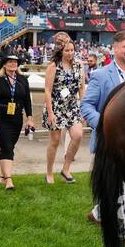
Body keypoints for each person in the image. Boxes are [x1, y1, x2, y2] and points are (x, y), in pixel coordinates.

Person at [81, 29, 125, 241]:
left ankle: (98, 213)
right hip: (109, 142)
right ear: (114, 48)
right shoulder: (100, 75)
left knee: (121, 183)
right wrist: (104, 125)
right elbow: (86, 106)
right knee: (121, 184)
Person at [0, 51, 34, 190]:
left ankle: (3, 177)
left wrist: (30, 118)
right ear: (4, 64)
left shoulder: (22, 80)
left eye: (15, 62)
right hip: (0, 118)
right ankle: (8, 180)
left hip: (16, 119)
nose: (13, 64)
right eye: (10, 61)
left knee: (8, 147)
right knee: (7, 146)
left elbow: (27, 100)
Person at [44, 33, 85, 184]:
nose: (70, 53)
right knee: (54, 141)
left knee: (78, 135)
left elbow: (82, 87)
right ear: (60, 51)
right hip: (56, 107)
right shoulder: (53, 66)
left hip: (73, 107)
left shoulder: (79, 65)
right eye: (67, 50)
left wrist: (83, 108)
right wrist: (50, 113)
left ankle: (66, 169)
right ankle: (49, 172)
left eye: (72, 50)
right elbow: (47, 91)